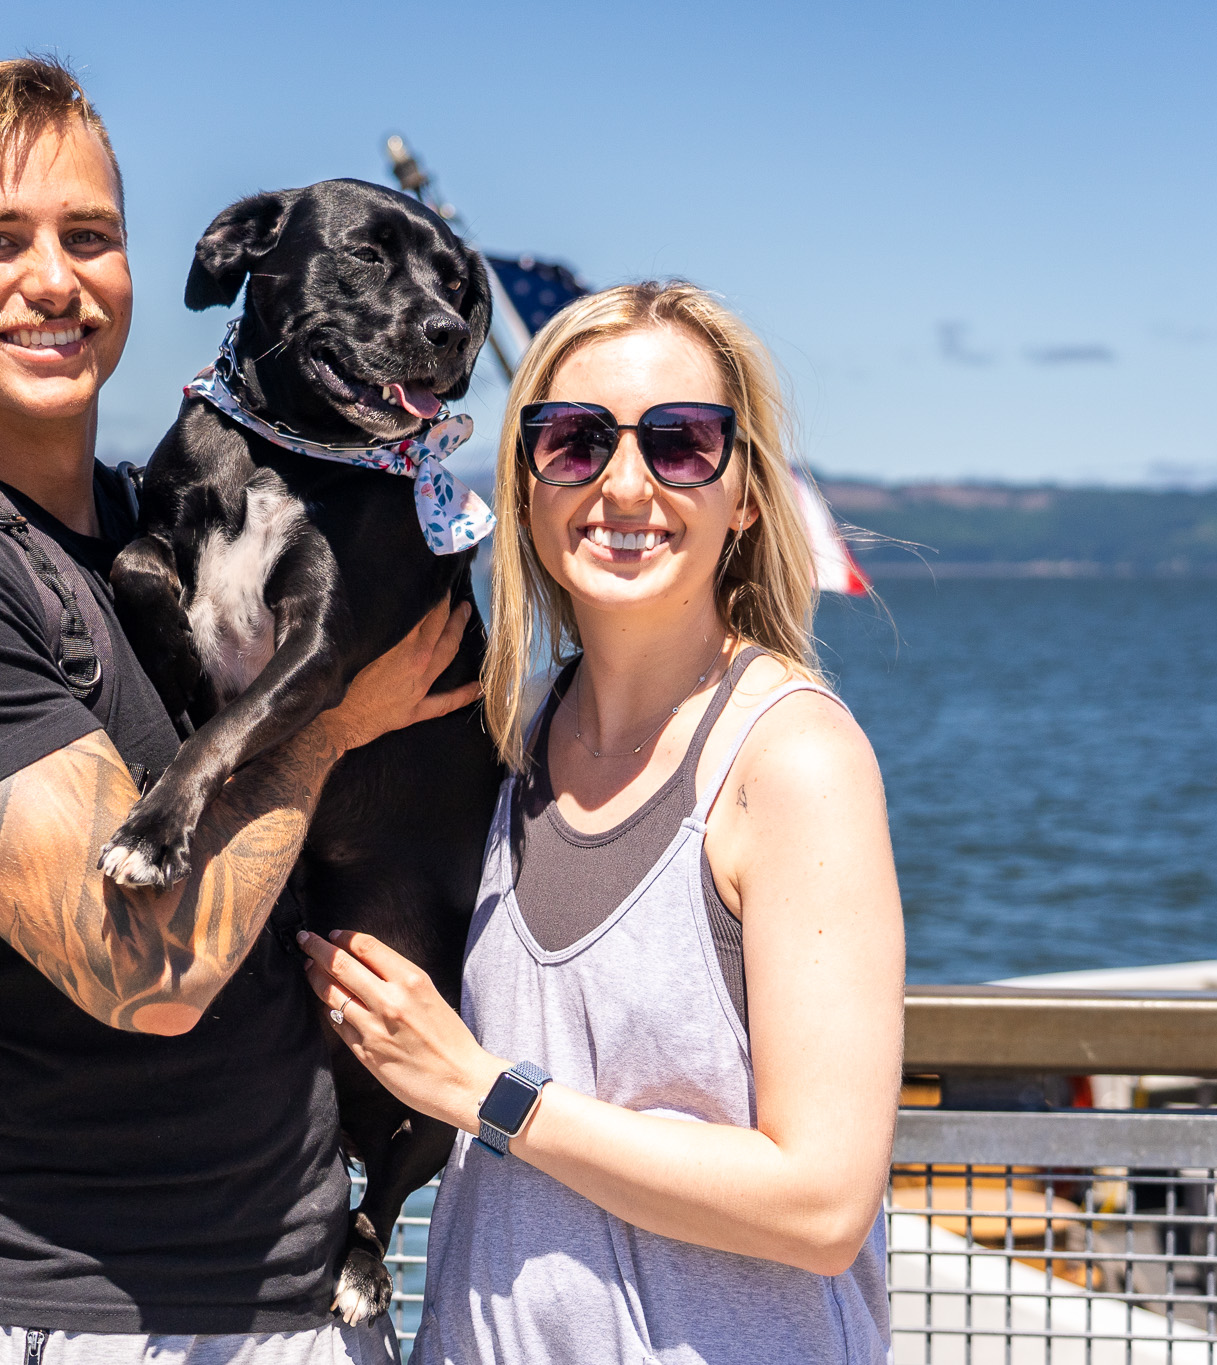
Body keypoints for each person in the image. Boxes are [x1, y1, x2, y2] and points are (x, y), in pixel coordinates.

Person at [0, 57, 474, 1365]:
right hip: (96, 1314)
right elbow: (138, 969)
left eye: (88, 235)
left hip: (299, 1278)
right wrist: (338, 719)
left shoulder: (138, 522)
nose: (55, 279)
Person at [301, 281, 905, 1362]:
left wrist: (484, 1092)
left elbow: (820, 1206)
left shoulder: (792, 761)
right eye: (572, 443)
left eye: (680, 445)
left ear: (746, 497)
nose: (623, 484)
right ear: (524, 485)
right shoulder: (501, 738)